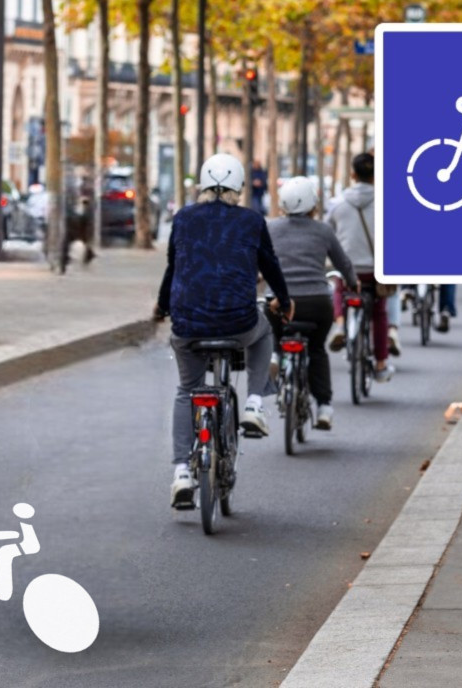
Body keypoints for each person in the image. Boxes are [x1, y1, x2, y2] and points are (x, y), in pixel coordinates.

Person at [154, 152, 293, 508]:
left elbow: (173, 267)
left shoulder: (183, 218)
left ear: (202, 185)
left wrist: (162, 307)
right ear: (240, 187)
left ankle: (181, 472)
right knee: (264, 332)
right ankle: (253, 403)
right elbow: (270, 264)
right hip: (238, 322)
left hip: (188, 325)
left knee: (187, 389)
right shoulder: (252, 220)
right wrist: (284, 299)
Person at [267, 176, 357, 431]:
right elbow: (342, 263)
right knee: (317, 349)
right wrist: (352, 282)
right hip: (317, 303)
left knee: (274, 331)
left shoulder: (271, 229)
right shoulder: (323, 230)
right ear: (313, 204)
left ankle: (276, 355)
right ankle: (325, 407)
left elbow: (256, 260)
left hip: (280, 303)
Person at [325, 152, 395, 383]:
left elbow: (327, 234)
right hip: (375, 271)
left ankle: (340, 325)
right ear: (376, 176)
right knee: (379, 312)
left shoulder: (338, 204)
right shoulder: (387, 202)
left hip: (350, 270)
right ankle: (381, 365)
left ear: (353, 174)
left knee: (340, 286)